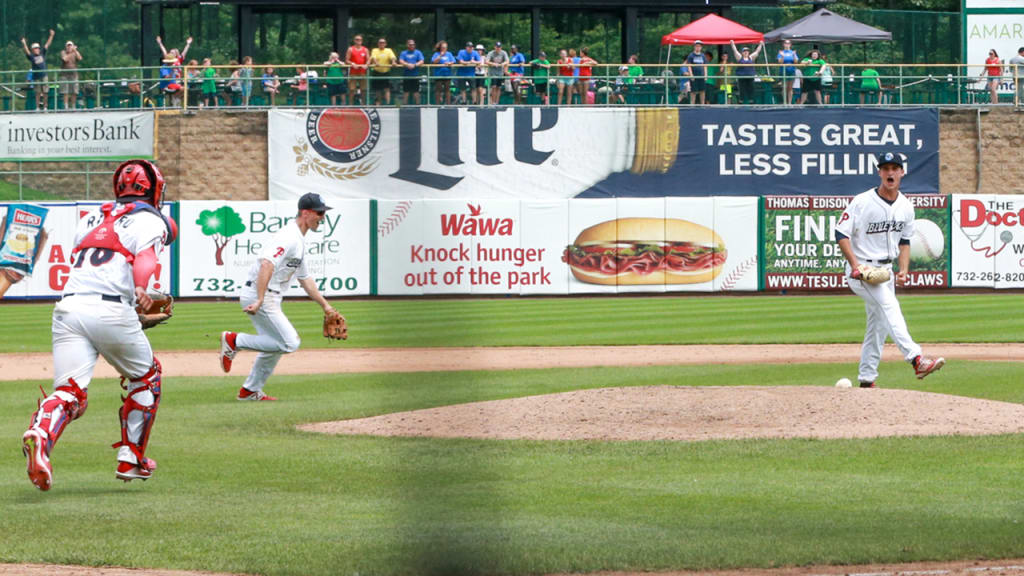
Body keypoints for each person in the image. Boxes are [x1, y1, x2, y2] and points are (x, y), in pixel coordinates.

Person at [21, 159, 178, 491]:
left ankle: (41, 433)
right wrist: (140, 285)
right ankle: (132, 459)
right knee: (147, 378)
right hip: (111, 309)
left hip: (69, 306)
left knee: (70, 392)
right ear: (154, 189)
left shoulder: (93, 216)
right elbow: (146, 256)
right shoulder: (153, 219)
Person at [834, 151, 945, 389]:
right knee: (890, 307)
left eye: (895, 168)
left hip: (886, 270)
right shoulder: (862, 201)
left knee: (878, 324)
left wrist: (903, 269)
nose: (890, 172)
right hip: (863, 269)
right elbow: (840, 233)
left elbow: (905, 242)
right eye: (885, 168)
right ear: (879, 173)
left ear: (902, 172)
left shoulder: (905, 206)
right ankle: (916, 359)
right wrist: (855, 265)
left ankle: (866, 377)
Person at [219, 193, 344, 402]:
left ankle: (249, 391)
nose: (322, 217)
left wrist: (326, 307)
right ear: (305, 213)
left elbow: (305, 279)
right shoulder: (289, 237)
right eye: (320, 212)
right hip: (262, 295)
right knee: (289, 343)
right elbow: (266, 263)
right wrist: (259, 299)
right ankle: (234, 340)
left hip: (269, 296)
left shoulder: (299, 240)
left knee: (274, 345)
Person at [21, 30, 55, 110]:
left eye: (38, 48)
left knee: (45, 92)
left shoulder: (42, 53)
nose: (37, 49)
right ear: (33, 49)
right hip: (36, 76)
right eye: (35, 48)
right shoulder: (32, 57)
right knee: (38, 92)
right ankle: (37, 107)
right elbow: (27, 51)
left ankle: (45, 106)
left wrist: (51, 36)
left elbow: (47, 44)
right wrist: (24, 43)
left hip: (44, 75)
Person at [730, 40, 763, 105]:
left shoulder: (751, 58)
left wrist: (761, 44)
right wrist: (732, 44)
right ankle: (741, 101)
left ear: (748, 52)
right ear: (742, 52)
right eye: (744, 51)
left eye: (747, 51)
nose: (746, 52)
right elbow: (735, 50)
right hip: (742, 77)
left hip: (750, 77)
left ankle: (751, 102)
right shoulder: (740, 58)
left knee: (751, 89)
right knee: (742, 89)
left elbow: (757, 51)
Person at [370, 38, 397, 105]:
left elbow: (393, 57)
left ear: (385, 44)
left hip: (386, 72)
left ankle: (387, 104)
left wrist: (393, 62)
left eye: (383, 42)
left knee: (387, 89)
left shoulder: (389, 50)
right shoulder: (375, 50)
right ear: (378, 44)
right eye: (380, 42)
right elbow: (373, 58)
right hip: (377, 72)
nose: (381, 44)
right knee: (377, 89)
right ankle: (379, 103)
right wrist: (376, 63)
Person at [346, 34, 370, 104]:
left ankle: (363, 104)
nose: (358, 41)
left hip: (362, 72)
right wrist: (352, 64)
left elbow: (368, 59)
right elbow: (347, 60)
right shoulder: (350, 49)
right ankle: (351, 105)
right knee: (352, 89)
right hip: (353, 72)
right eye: (356, 39)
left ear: (362, 41)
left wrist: (366, 65)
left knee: (363, 89)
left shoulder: (365, 49)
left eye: (359, 40)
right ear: (354, 41)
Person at [399, 39, 424, 105]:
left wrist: (415, 65)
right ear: (407, 45)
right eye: (410, 44)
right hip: (406, 75)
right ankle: (404, 106)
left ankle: (418, 106)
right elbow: (401, 61)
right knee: (406, 92)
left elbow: (421, 61)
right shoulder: (403, 53)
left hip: (415, 75)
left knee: (416, 92)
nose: (412, 46)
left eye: (413, 44)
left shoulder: (418, 52)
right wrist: (407, 64)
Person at [59, 40, 82, 109]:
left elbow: (80, 58)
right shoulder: (63, 52)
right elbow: (65, 59)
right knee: (65, 92)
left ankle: (73, 107)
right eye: (68, 46)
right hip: (64, 75)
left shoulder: (75, 53)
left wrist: (75, 51)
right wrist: (71, 52)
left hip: (74, 75)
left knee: (74, 92)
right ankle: (66, 107)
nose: (69, 47)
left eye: (70, 45)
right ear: (66, 47)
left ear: (73, 46)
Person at [684, 40, 708, 105]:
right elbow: (689, 66)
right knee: (693, 91)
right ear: (694, 47)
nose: (698, 47)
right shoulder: (691, 55)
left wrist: (706, 75)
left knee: (702, 91)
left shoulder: (703, 56)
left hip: (701, 76)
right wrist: (691, 75)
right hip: (694, 76)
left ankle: (702, 104)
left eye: (699, 46)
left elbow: (705, 66)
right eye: (697, 46)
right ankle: (692, 105)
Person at [776, 39, 798, 105]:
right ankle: (784, 102)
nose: (787, 44)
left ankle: (789, 103)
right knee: (784, 87)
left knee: (790, 88)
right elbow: (780, 62)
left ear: (790, 45)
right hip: (783, 71)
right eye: (786, 43)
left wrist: (794, 55)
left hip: (791, 71)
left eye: (788, 43)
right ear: (783, 44)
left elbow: (796, 62)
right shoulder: (781, 52)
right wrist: (782, 56)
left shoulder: (792, 52)